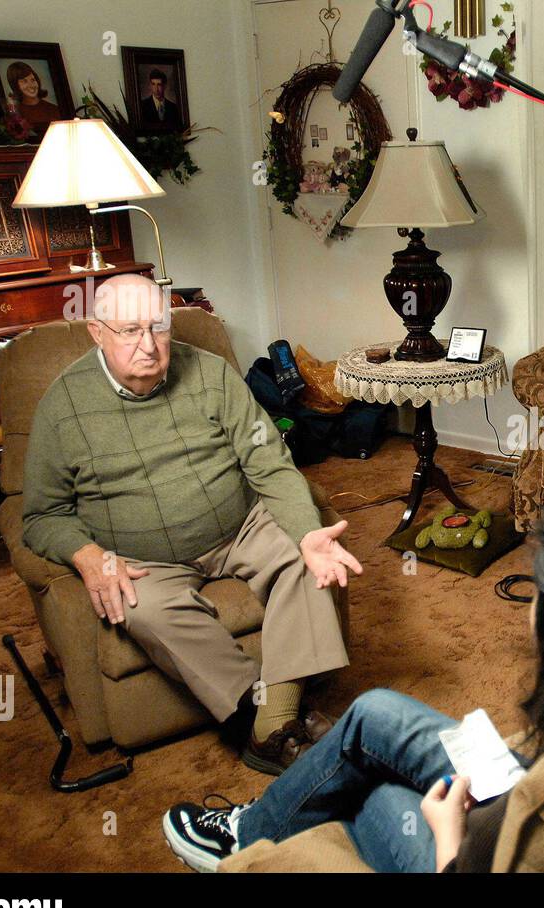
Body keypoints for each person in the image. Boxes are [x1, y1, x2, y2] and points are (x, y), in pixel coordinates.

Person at [161, 490, 544, 872]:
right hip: (526, 790)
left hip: (506, 830)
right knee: (374, 712)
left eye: (537, 589)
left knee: (377, 794)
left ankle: (251, 839)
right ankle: (252, 826)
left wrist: (450, 842)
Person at [22, 274, 358, 774]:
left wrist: (309, 534)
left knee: (303, 557)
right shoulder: (63, 405)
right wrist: (86, 555)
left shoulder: (211, 373)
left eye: (157, 327)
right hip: (142, 557)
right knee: (140, 608)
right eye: (129, 330)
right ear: (97, 332)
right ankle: (269, 717)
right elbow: (39, 515)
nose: (148, 344)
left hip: (239, 524)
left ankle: (272, 725)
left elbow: (268, 462)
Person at [5, 61, 61, 128]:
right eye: (24, 81)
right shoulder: (15, 114)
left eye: (33, 80)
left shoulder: (54, 109)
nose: (31, 85)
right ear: (15, 86)